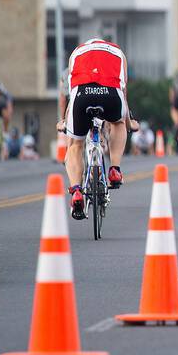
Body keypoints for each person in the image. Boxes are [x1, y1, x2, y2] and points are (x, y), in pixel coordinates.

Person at [57, 37, 138, 219]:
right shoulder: (118, 53)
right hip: (110, 94)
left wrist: (64, 121)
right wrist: (128, 121)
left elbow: (71, 94)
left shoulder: (76, 53)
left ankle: (77, 190)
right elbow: (123, 92)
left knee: (75, 146)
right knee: (118, 124)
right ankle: (115, 169)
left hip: (82, 95)